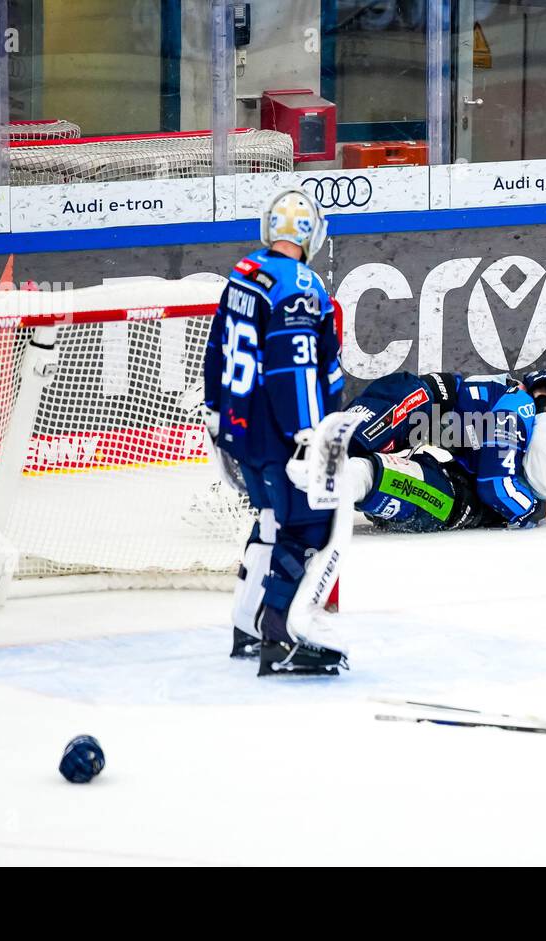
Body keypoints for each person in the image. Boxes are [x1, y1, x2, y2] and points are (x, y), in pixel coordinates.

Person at [203, 188, 349, 676]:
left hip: (241, 429)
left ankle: (247, 622)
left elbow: (216, 348)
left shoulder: (243, 273)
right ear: (314, 236)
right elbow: (296, 369)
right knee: (307, 526)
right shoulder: (301, 286)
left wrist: (214, 411)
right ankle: (280, 635)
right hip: (281, 432)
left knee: (269, 518)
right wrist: (309, 436)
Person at [343, 369, 546, 529]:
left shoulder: (534, 429)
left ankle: (348, 482)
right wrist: (542, 511)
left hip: (431, 437)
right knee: (346, 443)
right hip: (424, 401)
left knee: (444, 501)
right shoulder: (522, 410)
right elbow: (495, 484)